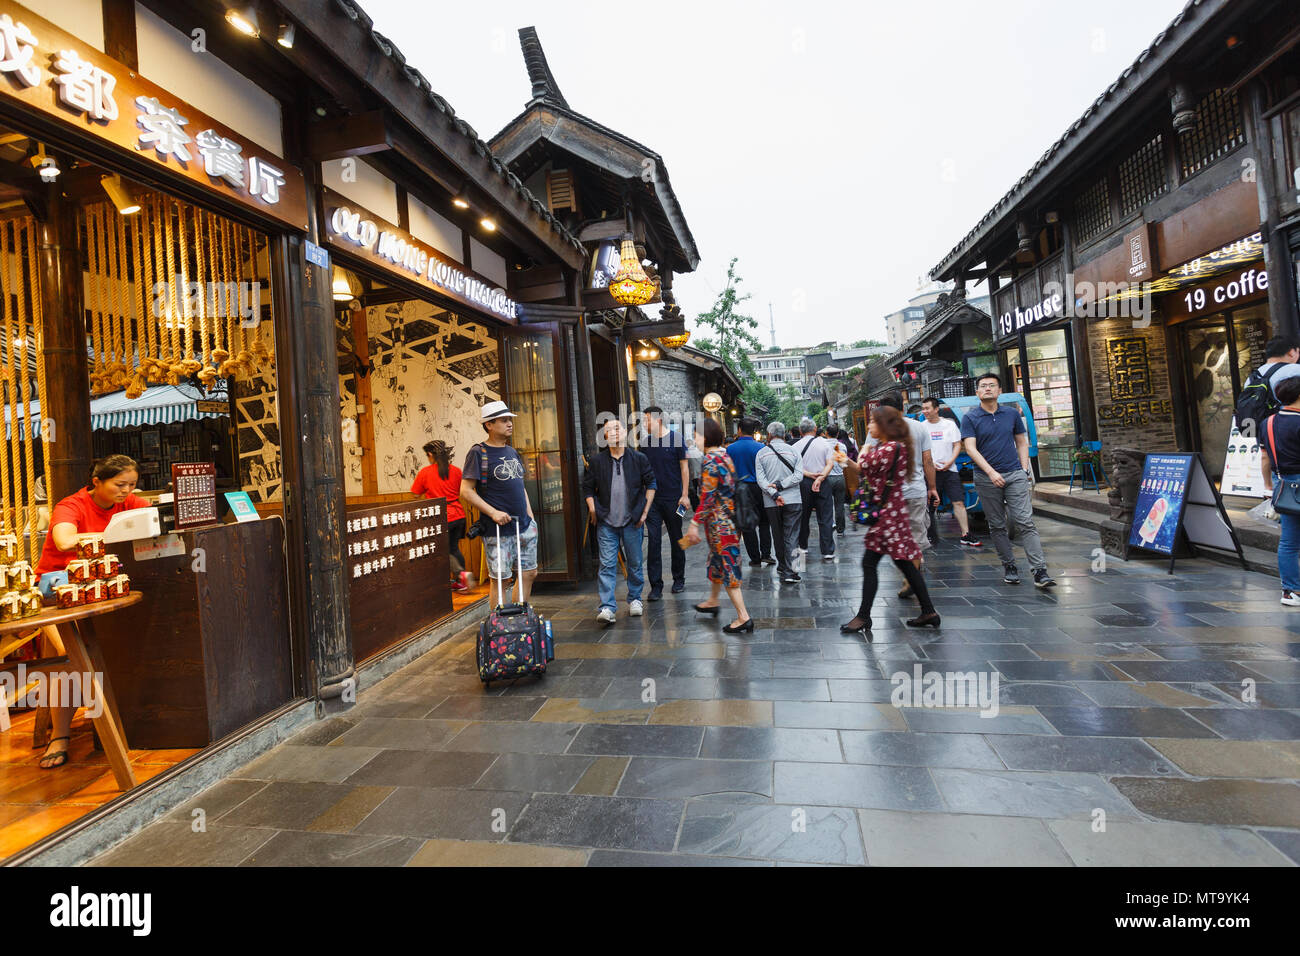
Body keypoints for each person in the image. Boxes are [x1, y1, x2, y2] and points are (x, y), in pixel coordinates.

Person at [33, 455, 151, 769]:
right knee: (75, 656)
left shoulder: (129, 503)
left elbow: (154, 523)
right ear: (96, 481)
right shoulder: (71, 506)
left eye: (132, 485)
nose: (126, 491)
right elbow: (63, 541)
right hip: (58, 591)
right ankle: (60, 735)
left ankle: (120, 717)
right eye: (119, 484)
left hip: (102, 586)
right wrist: (113, 535)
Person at [840, 406, 940, 634]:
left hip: (888, 518)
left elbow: (863, 465)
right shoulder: (893, 447)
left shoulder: (890, 448)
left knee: (872, 564)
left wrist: (850, 455)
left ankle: (864, 616)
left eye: (873, 422)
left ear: (884, 425)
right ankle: (928, 611)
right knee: (903, 563)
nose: (869, 426)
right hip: (892, 515)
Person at [961, 374, 1055, 587]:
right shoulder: (971, 418)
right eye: (983, 386)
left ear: (999, 390)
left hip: (1014, 474)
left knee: (1025, 521)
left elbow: (1021, 442)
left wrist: (1023, 469)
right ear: (977, 393)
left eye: (992, 385)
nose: (987, 389)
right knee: (997, 525)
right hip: (986, 478)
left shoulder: (1011, 414)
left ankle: (1040, 571)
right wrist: (992, 473)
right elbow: (970, 448)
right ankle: (1009, 565)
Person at [460, 400, 538, 604]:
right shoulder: (478, 452)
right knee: (501, 580)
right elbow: (466, 491)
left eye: (510, 420)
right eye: (504, 420)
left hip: (525, 525)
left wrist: (531, 517)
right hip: (497, 528)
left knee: (529, 573)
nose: (510, 424)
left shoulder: (511, 452)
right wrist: (493, 512)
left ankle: (521, 615)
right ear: (489, 424)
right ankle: (499, 624)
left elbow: (520, 486)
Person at [583, 419, 656, 624]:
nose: (614, 433)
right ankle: (607, 607)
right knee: (606, 565)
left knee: (634, 562)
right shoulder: (597, 462)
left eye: (617, 428)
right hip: (606, 521)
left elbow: (651, 483)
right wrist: (592, 508)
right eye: (609, 430)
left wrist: (644, 512)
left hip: (632, 520)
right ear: (605, 437)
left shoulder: (638, 458)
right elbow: (587, 488)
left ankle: (634, 599)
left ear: (625, 433)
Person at [685, 417, 752, 632]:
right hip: (728, 521)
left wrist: (694, 523)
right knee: (717, 562)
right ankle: (713, 600)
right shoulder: (724, 454)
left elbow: (707, 496)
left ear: (705, 437)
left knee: (728, 567)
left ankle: (743, 617)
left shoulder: (711, 460)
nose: (694, 439)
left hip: (721, 525)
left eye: (696, 435)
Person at [877, 394, 939, 600]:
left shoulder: (879, 429)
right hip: (916, 491)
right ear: (902, 406)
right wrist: (932, 487)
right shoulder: (919, 427)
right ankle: (910, 578)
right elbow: (928, 460)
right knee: (915, 537)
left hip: (889, 495)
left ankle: (909, 577)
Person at [639, 406, 690, 599]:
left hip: (674, 498)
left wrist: (685, 495)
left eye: (646, 420)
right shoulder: (645, 443)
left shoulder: (676, 439)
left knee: (677, 539)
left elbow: (684, 469)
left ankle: (679, 579)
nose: (644, 424)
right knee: (653, 541)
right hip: (652, 500)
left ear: (658, 419)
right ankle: (656, 586)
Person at [1260, 375, 1300, 606]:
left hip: (1283, 484)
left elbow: (1265, 457)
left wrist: (1268, 487)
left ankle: (1290, 591)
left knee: (1289, 541)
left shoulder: (1268, 422)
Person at [921, 396, 980, 548]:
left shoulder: (949, 425)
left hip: (950, 470)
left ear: (936, 409)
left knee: (958, 501)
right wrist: (930, 463)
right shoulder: (921, 427)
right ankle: (929, 535)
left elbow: (957, 445)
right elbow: (919, 450)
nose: (925, 411)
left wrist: (950, 462)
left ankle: (965, 534)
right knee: (929, 505)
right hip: (930, 471)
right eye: (923, 408)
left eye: (928, 408)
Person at [412, 439, 469, 591]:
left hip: (441, 517)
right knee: (453, 548)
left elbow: (415, 494)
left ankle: (462, 576)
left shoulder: (425, 472)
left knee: (442, 550)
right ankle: (460, 581)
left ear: (430, 454)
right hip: (458, 514)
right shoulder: (456, 471)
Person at [755, 420, 805, 583]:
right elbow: (799, 476)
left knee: (777, 535)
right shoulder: (794, 451)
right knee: (793, 535)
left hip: (771, 501)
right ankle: (794, 571)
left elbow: (760, 480)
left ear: (769, 435)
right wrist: (782, 485)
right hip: (793, 499)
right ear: (784, 434)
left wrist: (774, 492)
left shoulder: (761, 454)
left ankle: (783, 568)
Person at [726, 418, 774, 567]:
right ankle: (766, 554)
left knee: (747, 525)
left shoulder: (730, 449)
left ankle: (755, 557)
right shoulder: (761, 447)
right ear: (754, 431)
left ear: (739, 429)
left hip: (741, 490)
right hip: (760, 488)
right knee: (764, 522)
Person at [792, 418, 836, 561]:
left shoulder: (795, 446)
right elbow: (830, 463)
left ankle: (803, 546)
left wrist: (809, 474)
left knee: (803, 516)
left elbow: (795, 468)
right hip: (822, 483)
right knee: (825, 517)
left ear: (800, 431)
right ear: (815, 429)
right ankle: (828, 550)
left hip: (803, 483)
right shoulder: (824, 443)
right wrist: (820, 478)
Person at [825, 426, 849, 535]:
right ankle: (840, 529)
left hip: (827, 477)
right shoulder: (842, 446)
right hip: (840, 477)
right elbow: (844, 464)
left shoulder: (823, 445)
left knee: (827, 504)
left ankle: (830, 524)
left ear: (826, 433)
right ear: (838, 433)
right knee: (840, 505)